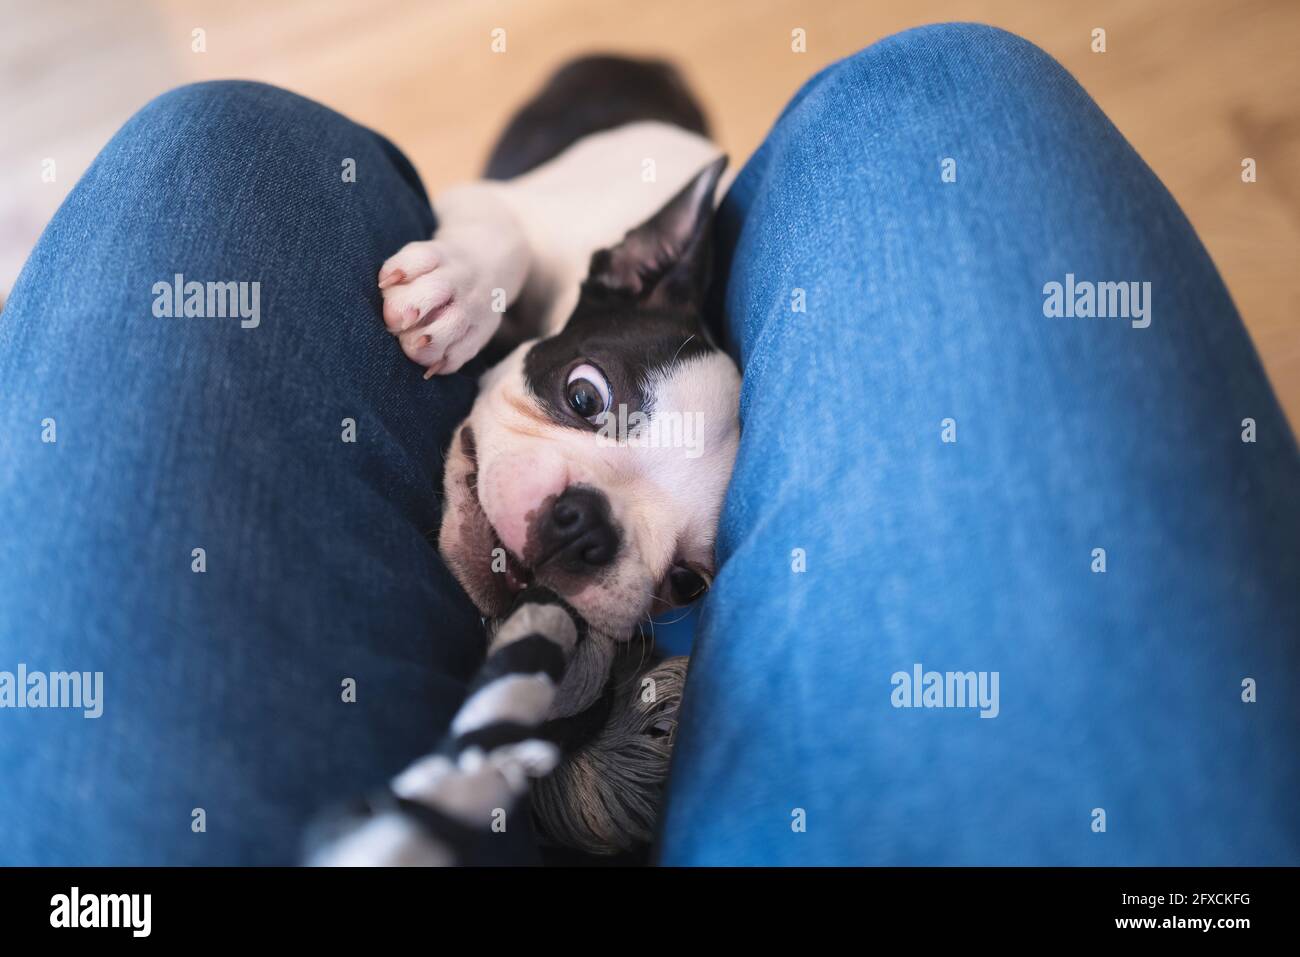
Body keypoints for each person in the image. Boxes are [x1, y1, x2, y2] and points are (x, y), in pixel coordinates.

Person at [1, 23, 1295, 866]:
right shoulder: (619, 252)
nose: (585, 525)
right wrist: (491, 249)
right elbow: (512, 227)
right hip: (584, 187)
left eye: (679, 576)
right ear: (628, 274)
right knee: (953, 92)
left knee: (212, 146)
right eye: (579, 404)